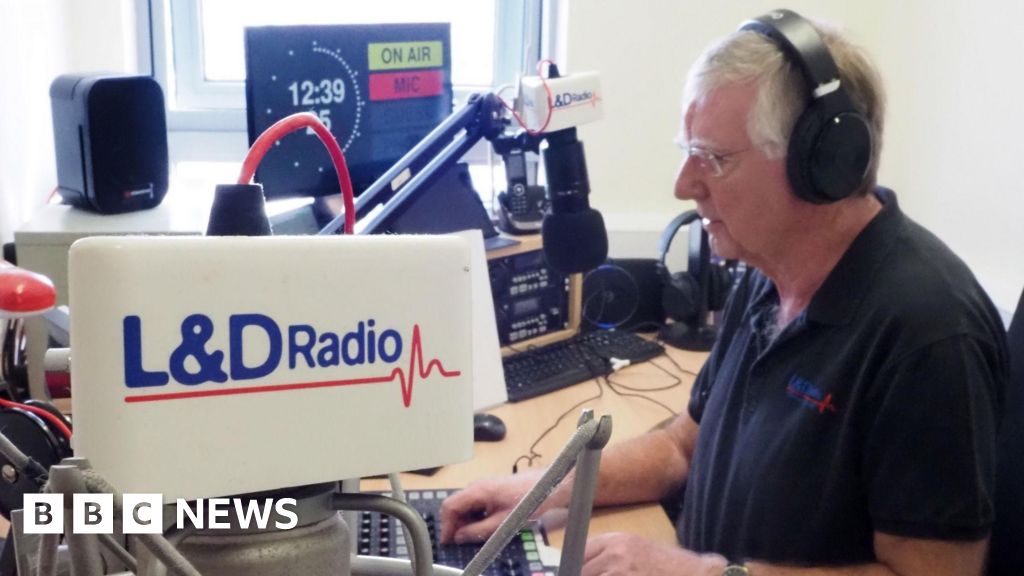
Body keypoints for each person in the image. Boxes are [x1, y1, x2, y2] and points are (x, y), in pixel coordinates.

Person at [440, 9, 1009, 576]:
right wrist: (544, 490)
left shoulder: (930, 334)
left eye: (712, 157)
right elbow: (683, 446)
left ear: (824, 164)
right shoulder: (767, 269)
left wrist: (701, 573)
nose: (684, 184)